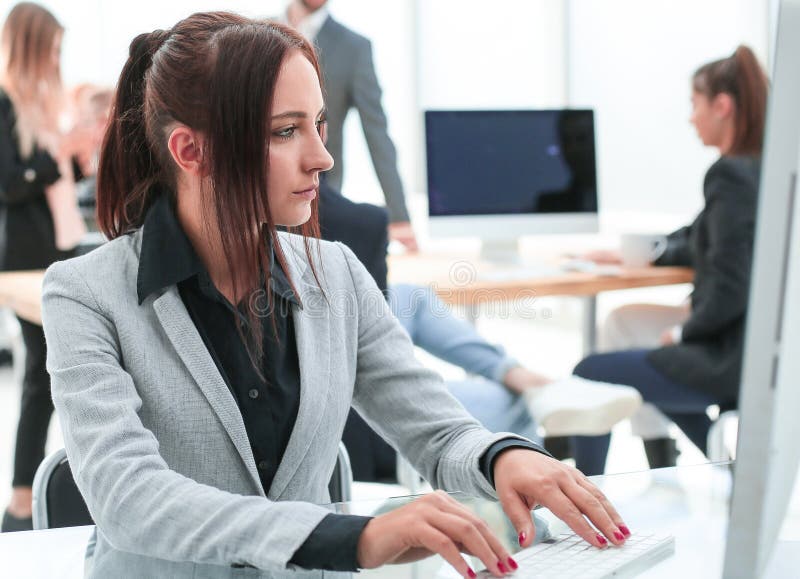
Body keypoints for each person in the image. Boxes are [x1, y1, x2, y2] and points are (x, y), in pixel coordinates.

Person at [41, 13, 630, 577]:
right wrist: (357, 539)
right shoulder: (84, 296)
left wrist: (503, 457)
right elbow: (129, 497)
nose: (321, 157)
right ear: (192, 152)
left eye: (318, 124)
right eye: (285, 131)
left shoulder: (338, 273)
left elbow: (439, 430)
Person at [573, 45, 768, 476]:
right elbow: (702, 237)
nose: (690, 117)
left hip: (728, 357)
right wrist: (650, 253)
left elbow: (730, 286)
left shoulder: (729, 175)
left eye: (694, 104)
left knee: (588, 372)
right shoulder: (761, 170)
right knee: (630, 337)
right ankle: (724, 464)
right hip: (758, 350)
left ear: (722, 105)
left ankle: (582, 499)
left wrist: (684, 333)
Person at [0, 2, 87, 532]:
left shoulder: (40, 103)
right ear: (32, 45)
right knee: (41, 374)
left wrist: (76, 158)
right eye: (51, 47)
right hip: (27, 259)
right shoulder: (6, 101)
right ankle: (21, 500)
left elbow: (48, 178)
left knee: (50, 371)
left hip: (58, 248)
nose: (56, 57)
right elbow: (10, 183)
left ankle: (25, 498)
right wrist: (60, 160)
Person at [283, 0, 418, 251]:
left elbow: (376, 133)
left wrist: (399, 215)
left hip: (319, 203)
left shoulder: (353, 47)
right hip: (254, 198)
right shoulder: (254, 33)